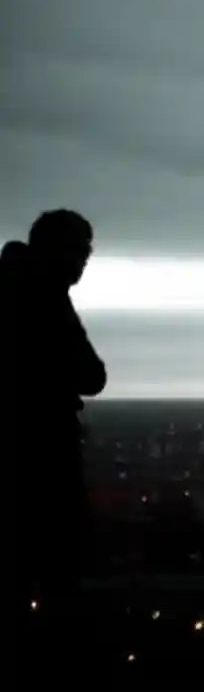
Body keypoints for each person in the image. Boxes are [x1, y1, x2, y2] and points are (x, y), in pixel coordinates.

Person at [0, 209, 107, 628]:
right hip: (39, 455)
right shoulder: (45, 296)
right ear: (56, 251)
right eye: (81, 251)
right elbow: (91, 375)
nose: (84, 260)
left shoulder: (22, 286)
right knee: (53, 571)